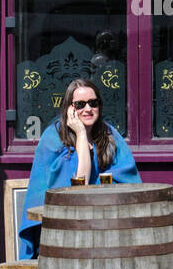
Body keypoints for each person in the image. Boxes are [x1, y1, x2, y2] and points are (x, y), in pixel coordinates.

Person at [18, 78, 139, 259]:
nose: (88, 109)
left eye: (93, 103)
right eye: (80, 104)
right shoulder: (53, 137)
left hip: (107, 224)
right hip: (64, 227)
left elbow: (130, 184)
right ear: (70, 108)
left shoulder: (110, 135)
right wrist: (81, 134)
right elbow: (75, 190)